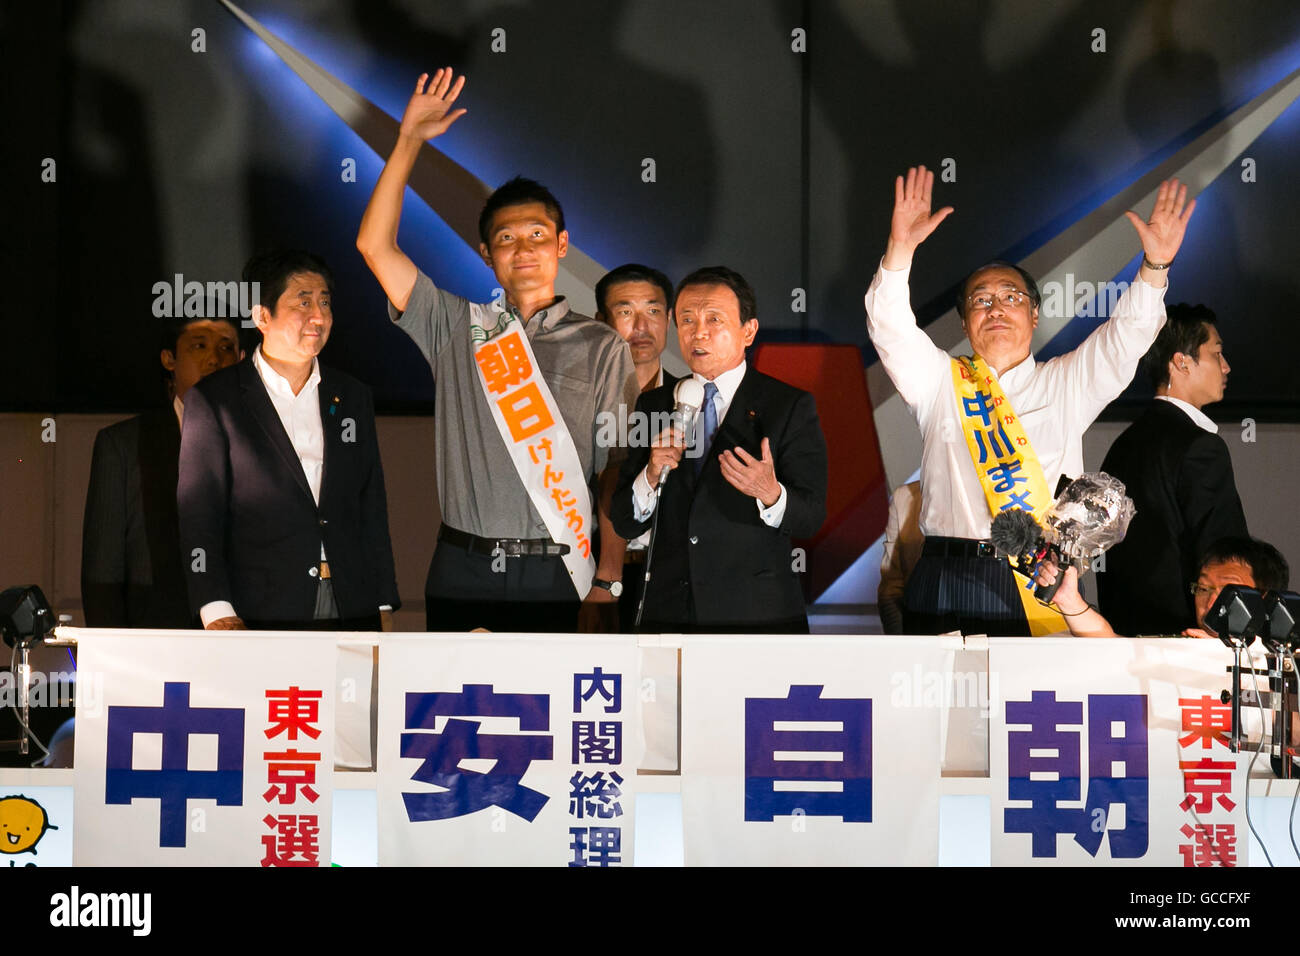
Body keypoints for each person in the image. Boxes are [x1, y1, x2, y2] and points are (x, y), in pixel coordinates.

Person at [356, 68, 637, 633]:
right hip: (464, 564)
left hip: (561, 567)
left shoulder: (602, 343)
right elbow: (374, 244)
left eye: (538, 235)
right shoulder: (457, 326)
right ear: (486, 254)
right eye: (506, 239)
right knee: (460, 718)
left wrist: (608, 579)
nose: (524, 249)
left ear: (561, 245)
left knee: (552, 718)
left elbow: (616, 467)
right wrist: (407, 140)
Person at [864, 165, 1195, 636]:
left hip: (1034, 580)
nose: (995, 308)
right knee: (935, 709)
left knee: (1022, 708)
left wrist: (1155, 267)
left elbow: (1127, 336)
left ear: (1034, 313)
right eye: (980, 301)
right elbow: (888, 326)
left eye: (1010, 297)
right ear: (964, 324)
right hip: (944, 573)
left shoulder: (1066, 382)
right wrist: (900, 250)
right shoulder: (940, 381)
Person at [177, 250, 399, 630]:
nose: (319, 316)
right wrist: (216, 608)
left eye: (325, 302)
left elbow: (370, 504)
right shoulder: (216, 400)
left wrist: (382, 603)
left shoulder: (351, 395)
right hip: (258, 606)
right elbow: (200, 514)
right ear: (262, 315)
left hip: (351, 601)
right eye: (304, 302)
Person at [610, 266, 828, 632]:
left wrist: (771, 494)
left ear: (748, 331)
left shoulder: (787, 406)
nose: (699, 332)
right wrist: (649, 476)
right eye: (687, 319)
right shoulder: (655, 406)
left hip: (754, 617)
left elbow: (810, 516)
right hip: (670, 615)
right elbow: (624, 519)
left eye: (714, 319)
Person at [82, 314, 243, 627]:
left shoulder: (264, 440)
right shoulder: (125, 444)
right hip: (155, 638)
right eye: (199, 346)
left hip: (250, 637)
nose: (214, 359)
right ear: (170, 358)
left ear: (241, 360)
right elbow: (102, 573)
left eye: (226, 349)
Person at [1097, 304, 1248, 635]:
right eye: (1216, 354)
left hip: (1120, 636)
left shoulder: (1121, 446)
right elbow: (1224, 554)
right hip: (1186, 641)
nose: (1226, 366)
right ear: (1182, 362)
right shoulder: (1201, 447)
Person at [592, 264, 679, 631]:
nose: (641, 327)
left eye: (653, 311)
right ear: (601, 321)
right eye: (626, 312)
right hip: (587, 574)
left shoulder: (692, 401)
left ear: (670, 318)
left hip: (669, 580)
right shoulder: (578, 402)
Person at [1039, 536, 1288, 640]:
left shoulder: (1287, 663)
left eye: (1228, 590)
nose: (1212, 601)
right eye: (1203, 588)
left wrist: (1227, 664)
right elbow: (1113, 648)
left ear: (1264, 598)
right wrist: (1070, 600)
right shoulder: (1182, 649)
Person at [878, 480, 923, 634]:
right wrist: (900, 646)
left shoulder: (997, 496)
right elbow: (891, 588)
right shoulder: (904, 497)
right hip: (918, 633)